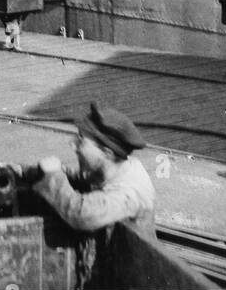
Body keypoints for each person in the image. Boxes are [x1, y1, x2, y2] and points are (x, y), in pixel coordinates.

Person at [29, 101, 156, 238]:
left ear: (107, 153)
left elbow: (81, 215)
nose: (73, 145)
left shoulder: (129, 194)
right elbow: (83, 178)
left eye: (81, 141)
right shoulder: (116, 167)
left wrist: (54, 177)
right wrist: (31, 171)